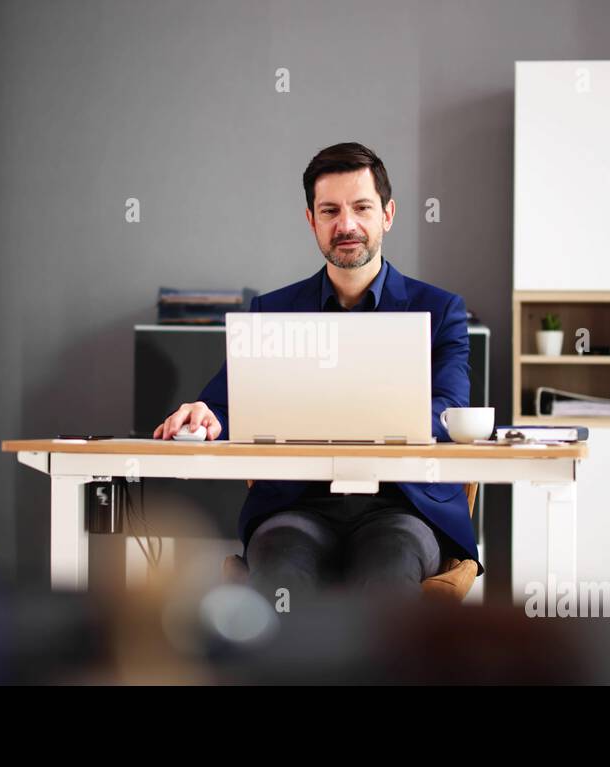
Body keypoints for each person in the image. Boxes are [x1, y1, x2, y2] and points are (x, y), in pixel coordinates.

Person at [153, 142, 476, 601]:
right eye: (330, 211)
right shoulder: (273, 310)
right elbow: (228, 403)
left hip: (402, 509)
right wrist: (205, 412)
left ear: (388, 214)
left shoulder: (440, 310)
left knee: (387, 576)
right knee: (281, 576)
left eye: (361, 207)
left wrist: (363, 418)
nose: (346, 225)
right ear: (312, 221)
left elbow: (449, 410)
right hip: (296, 507)